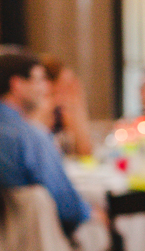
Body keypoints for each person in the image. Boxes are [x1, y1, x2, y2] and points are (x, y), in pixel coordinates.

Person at [0, 47, 91, 235]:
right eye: (39, 80)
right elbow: (68, 208)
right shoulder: (29, 137)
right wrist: (91, 213)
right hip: (33, 246)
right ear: (17, 84)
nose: (45, 88)